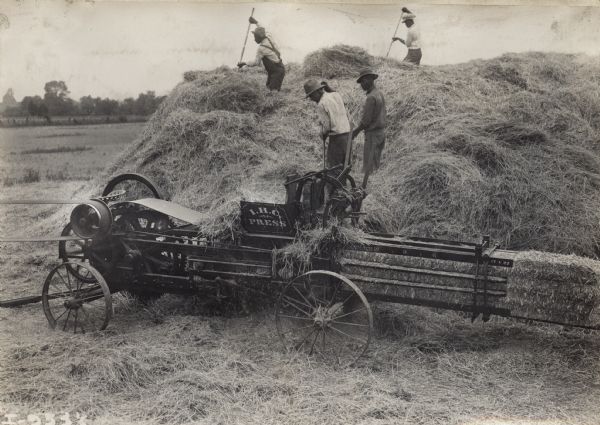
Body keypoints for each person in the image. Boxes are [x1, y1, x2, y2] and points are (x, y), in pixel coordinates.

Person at [303, 79, 352, 169]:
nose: (311, 99)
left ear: (317, 91)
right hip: (348, 135)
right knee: (345, 166)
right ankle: (343, 182)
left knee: (334, 167)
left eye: (311, 95)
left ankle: (335, 183)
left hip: (337, 139)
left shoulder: (321, 104)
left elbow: (327, 126)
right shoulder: (335, 95)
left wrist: (322, 134)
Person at [351, 68, 386, 189]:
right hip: (381, 134)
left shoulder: (371, 97)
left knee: (369, 168)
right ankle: (373, 190)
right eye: (360, 82)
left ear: (370, 80)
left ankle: (367, 192)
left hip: (372, 135)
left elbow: (365, 121)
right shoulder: (379, 93)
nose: (361, 85)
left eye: (363, 81)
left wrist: (355, 132)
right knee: (375, 163)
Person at [237, 17, 286, 91]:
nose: (254, 39)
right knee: (268, 88)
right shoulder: (269, 36)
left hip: (277, 72)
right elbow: (263, 28)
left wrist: (244, 63)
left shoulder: (261, 49)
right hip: (277, 69)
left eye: (255, 37)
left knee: (272, 93)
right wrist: (256, 22)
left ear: (259, 37)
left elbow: (256, 62)